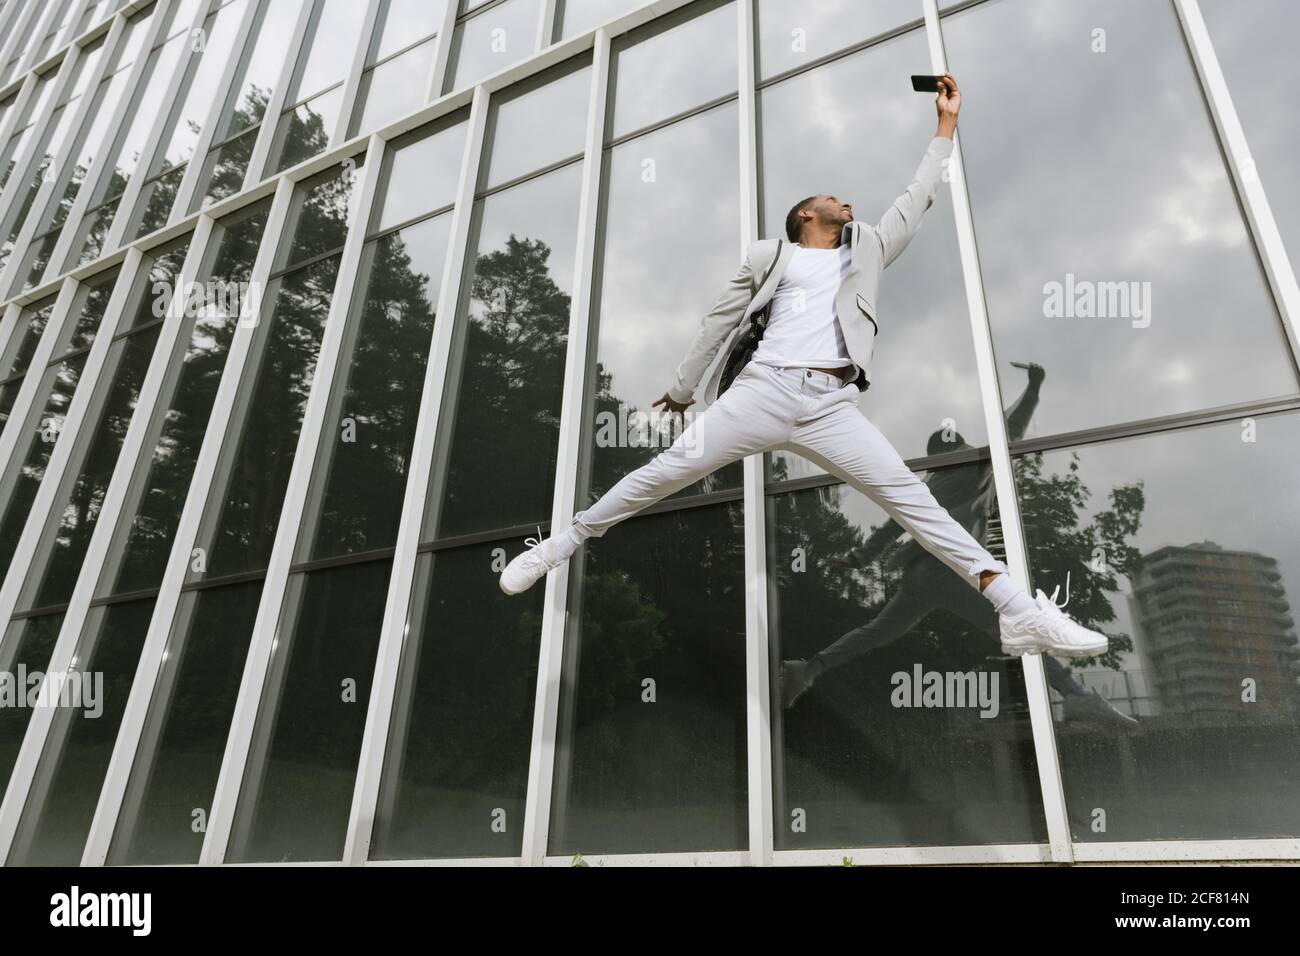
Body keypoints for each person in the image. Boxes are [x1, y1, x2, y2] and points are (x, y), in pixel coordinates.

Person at [499, 73, 1108, 662]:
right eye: (833, 198)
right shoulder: (772, 257)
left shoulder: (866, 248)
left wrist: (945, 127)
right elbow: (719, 320)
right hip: (761, 392)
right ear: (804, 216)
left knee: (918, 507)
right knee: (664, 473)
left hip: (831, 406)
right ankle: (560, 544)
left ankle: (1018, 611)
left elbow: (918, 196)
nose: (846, 202)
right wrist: (684, 389)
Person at [780, 362, 1138, 728]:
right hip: (952, 569)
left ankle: (809, 669)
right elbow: (1010, 430)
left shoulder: (928, 484)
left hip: (921, 574)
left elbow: (894, 523)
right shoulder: (972, 464)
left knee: (877, 631)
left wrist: (861, 555)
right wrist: (1034, 387)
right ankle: (1076, 695)